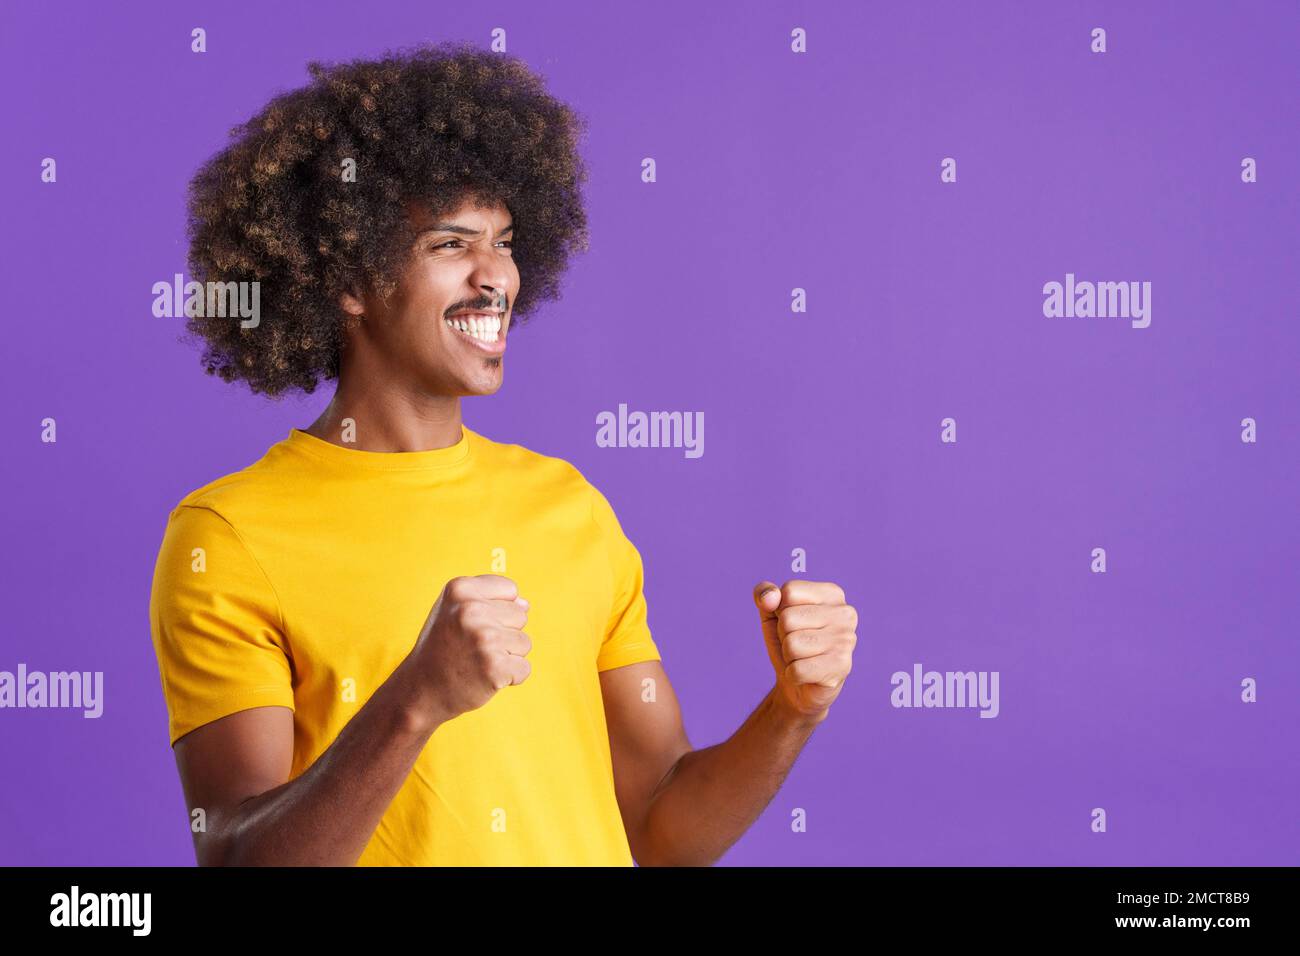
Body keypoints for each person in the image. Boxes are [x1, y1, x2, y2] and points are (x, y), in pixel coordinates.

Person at [149, 41, 858, 866]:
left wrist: (792, 708)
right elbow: (234, 856)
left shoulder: (568, 507)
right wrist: (414, 702)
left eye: (507, 241)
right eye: (451, 245)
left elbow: (663, 828)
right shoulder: (229, 535)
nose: (497, 279)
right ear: (347, 279)